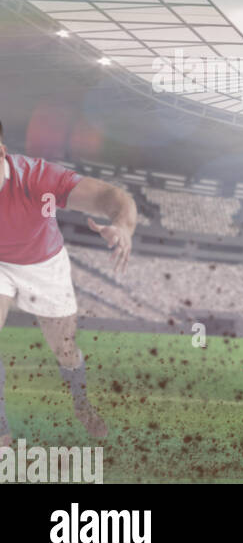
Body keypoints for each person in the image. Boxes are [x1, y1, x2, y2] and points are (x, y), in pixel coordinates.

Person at [0, 120, 137, 448]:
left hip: (43, 264)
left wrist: (122, 226)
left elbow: (110, 195)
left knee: (65, 349)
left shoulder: (37, 178)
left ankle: (81, 403)